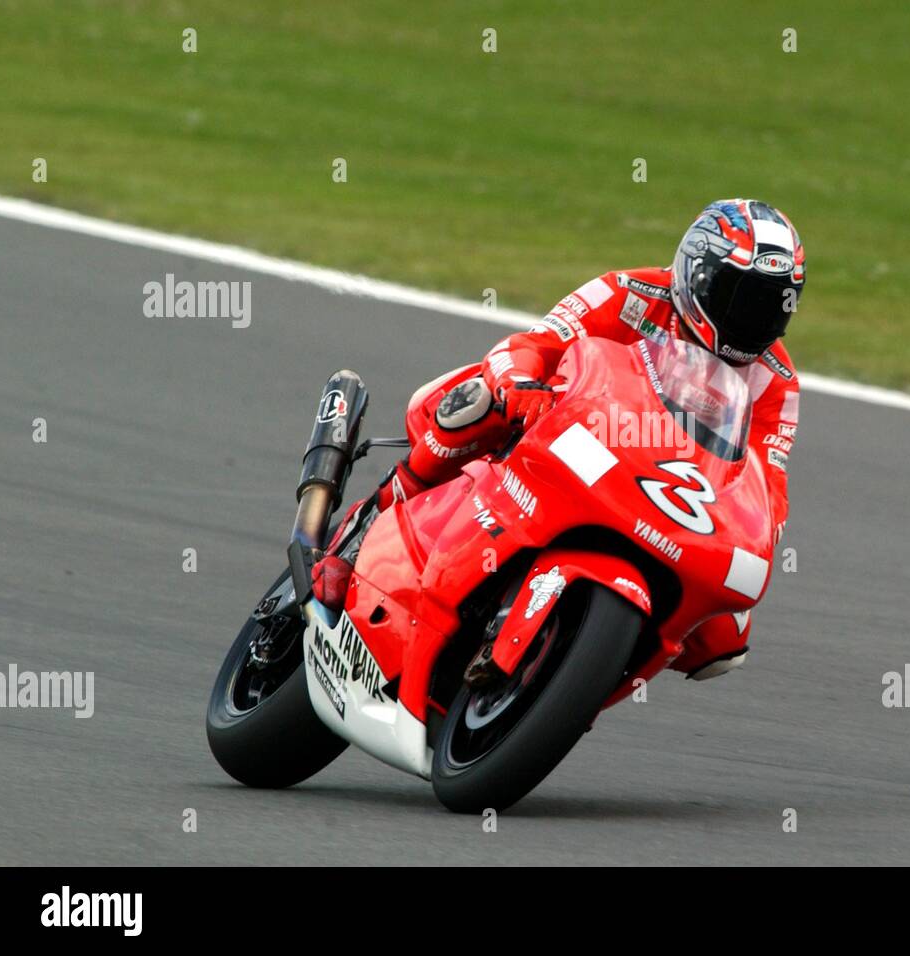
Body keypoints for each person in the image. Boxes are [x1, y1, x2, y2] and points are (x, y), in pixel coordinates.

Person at [313, 199, 804, 680]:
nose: (757, 321)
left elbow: (765, 491)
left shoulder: (776, 382)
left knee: (723, 639)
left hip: (665, 494)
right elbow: (532, 344)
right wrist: (520, 385)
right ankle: (357, 538)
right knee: (477, 402)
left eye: (776, 305)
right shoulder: (628, 293)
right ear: (698, 274)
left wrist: (752, 534)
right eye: (745, 299)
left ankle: (577, 668)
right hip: (567, 433)